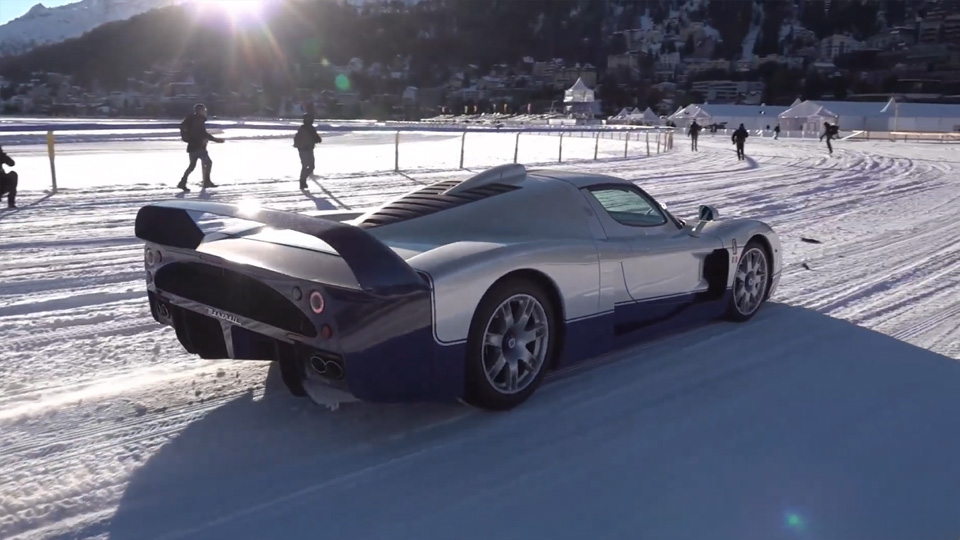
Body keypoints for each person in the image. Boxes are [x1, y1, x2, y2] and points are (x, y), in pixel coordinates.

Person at [178, 103, 224, 192]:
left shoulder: (192, 119)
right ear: (200, 111)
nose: (205, 112)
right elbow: (203, 133)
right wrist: (216, 139)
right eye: (204, 110)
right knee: (208, 162)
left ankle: (182, 182)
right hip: (198, 146)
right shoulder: (198, 120)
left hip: (192, 146)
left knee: (192, 166)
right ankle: (206, 181)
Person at [293, 113, 323, 190]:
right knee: (310, 166)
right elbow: (316, 138)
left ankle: (303, 181)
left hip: (302, 149)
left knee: (305, 166)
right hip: (307, 149)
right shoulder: (310, 128)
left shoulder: (302, 128)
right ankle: (302, 181)